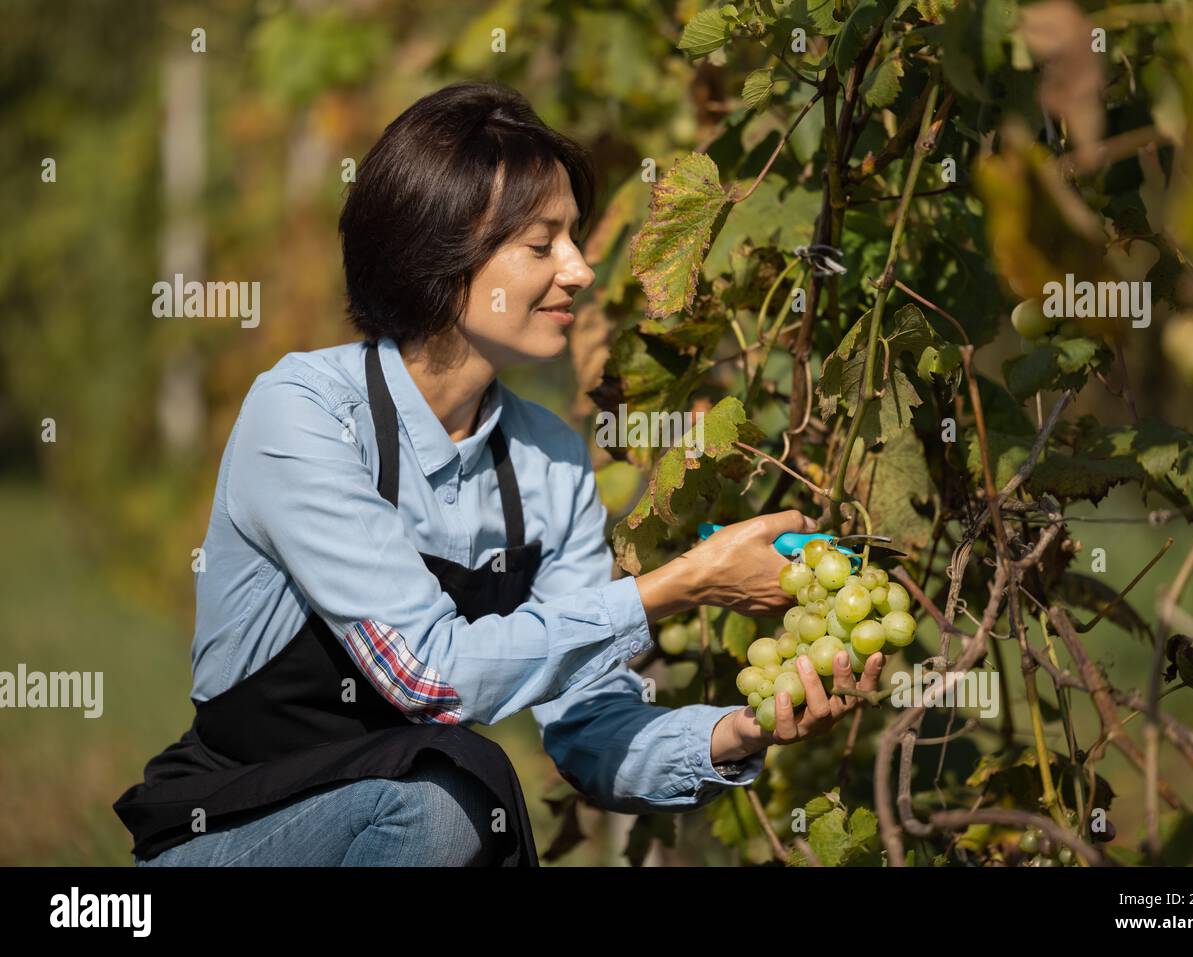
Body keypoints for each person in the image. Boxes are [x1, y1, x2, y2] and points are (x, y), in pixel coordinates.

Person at [113, 80, 884, 867]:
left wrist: (733, 733)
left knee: (448, 795)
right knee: (451, 797)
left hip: (405, 815)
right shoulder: (305, 413)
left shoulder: (548, 458)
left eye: (574, 241)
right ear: (442, 252)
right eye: (543, 245)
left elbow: (590, 725)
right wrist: (682, 584)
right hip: (236, 830)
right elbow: (426, 674)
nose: (581, 272)